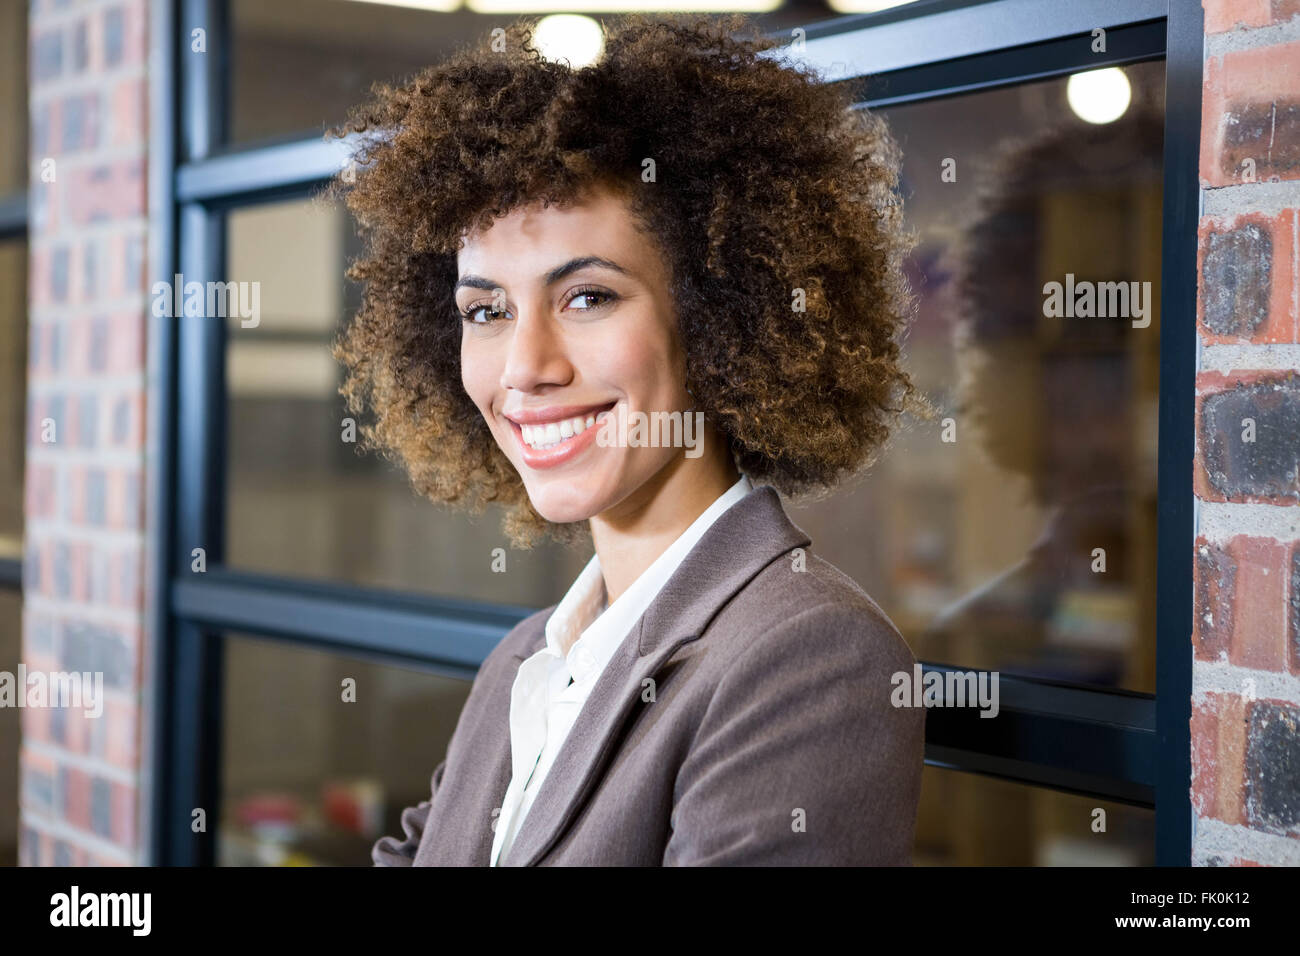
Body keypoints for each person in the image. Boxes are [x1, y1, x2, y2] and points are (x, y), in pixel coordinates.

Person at [328, 12, 928, 866]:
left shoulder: (810, 657)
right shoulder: (527, 661)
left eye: (588, 297)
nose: (525, 367)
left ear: (718, 318)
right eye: (487, 311)